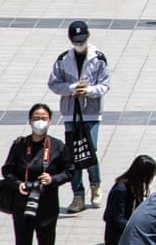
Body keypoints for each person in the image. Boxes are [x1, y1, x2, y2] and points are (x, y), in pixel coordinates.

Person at [47, 20, 112, 213]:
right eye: (76, 41)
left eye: (82, 40)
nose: (79, 44)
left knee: (90, 149)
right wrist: (71, 89)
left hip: (91, 111)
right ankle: (78, 194)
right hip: (70, 112)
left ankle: (95, 184)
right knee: (73, 154)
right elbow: (53, 83)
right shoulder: (63, 59)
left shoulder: (98, 58)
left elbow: (105, 84)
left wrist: (90, 91)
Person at [1, 103, 73, 245]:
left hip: (47, 205)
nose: (39, 122)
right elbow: (7, 170)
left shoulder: (57, 146)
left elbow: (69, 171)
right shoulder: (20, 145)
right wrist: (18, 184)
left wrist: (52, 179)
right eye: (36, 118)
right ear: (29, 121)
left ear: (49, 121)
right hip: (22, 204)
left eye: (43, 118)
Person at [104, 155, 156, 245]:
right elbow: (118, 220)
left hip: (131, 231)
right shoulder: (120, 190)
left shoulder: (136, 186)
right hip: (117, 236)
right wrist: (139, 227)